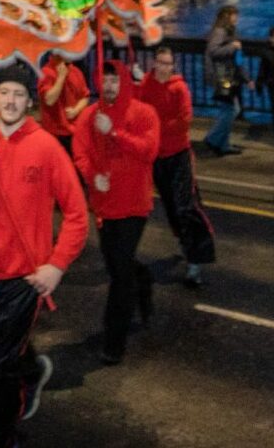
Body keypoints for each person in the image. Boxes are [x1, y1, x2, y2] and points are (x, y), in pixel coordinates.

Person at [0, 62, 88, 448]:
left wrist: (56, 266)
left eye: (19, 94)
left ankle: (2, 439)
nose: (10, 101)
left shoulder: (46, 147)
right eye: (5, 93)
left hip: (21, 280)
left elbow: (77, 214)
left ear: (30, 100)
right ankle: (30, 370)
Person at [72, 62, 159, 365]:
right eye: (104, 80)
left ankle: (114, 341)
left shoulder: (144, 113)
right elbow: (80, 151)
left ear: (124, 81)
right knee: (118, 266)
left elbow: (149, 150)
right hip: (105, 207)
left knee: (119, 276)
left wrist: (116, 133)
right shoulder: (89, 116)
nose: (109, 86)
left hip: (135, 206)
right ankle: (143, 277)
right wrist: (91, 175)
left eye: (114, 80)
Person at [136, 45, 217, 287]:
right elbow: (139, 113)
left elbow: (184, 121)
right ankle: (185, 243)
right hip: (157, 158)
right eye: (159, 62)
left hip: (179, 156)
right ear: (154, 63)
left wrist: (155, 126)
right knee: (171, 207)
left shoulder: (179, 88)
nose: (162, 67)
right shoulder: (146, 86)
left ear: (173, 66)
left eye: (167, 64)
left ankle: (195, 260)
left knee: (186, 206)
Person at [203, 6, 250, 156]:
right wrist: (232, 46)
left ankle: (223, 144)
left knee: (227, 109)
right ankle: (213, 138)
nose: (236, 18)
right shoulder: (220, 31)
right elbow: (213, 51)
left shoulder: (229, 31)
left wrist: (246, 77)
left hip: (228, 75)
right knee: (231, 109)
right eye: (233, 15)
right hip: (223, 75)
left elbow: (237, 58)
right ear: (226, 16)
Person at [36, 53, 88, 155]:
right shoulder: (46, 72)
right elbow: (49, 100)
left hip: (75, 133)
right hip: (54, 135)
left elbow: (85, 97)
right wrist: (61, 78)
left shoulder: (76, 71)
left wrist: (76, 110)